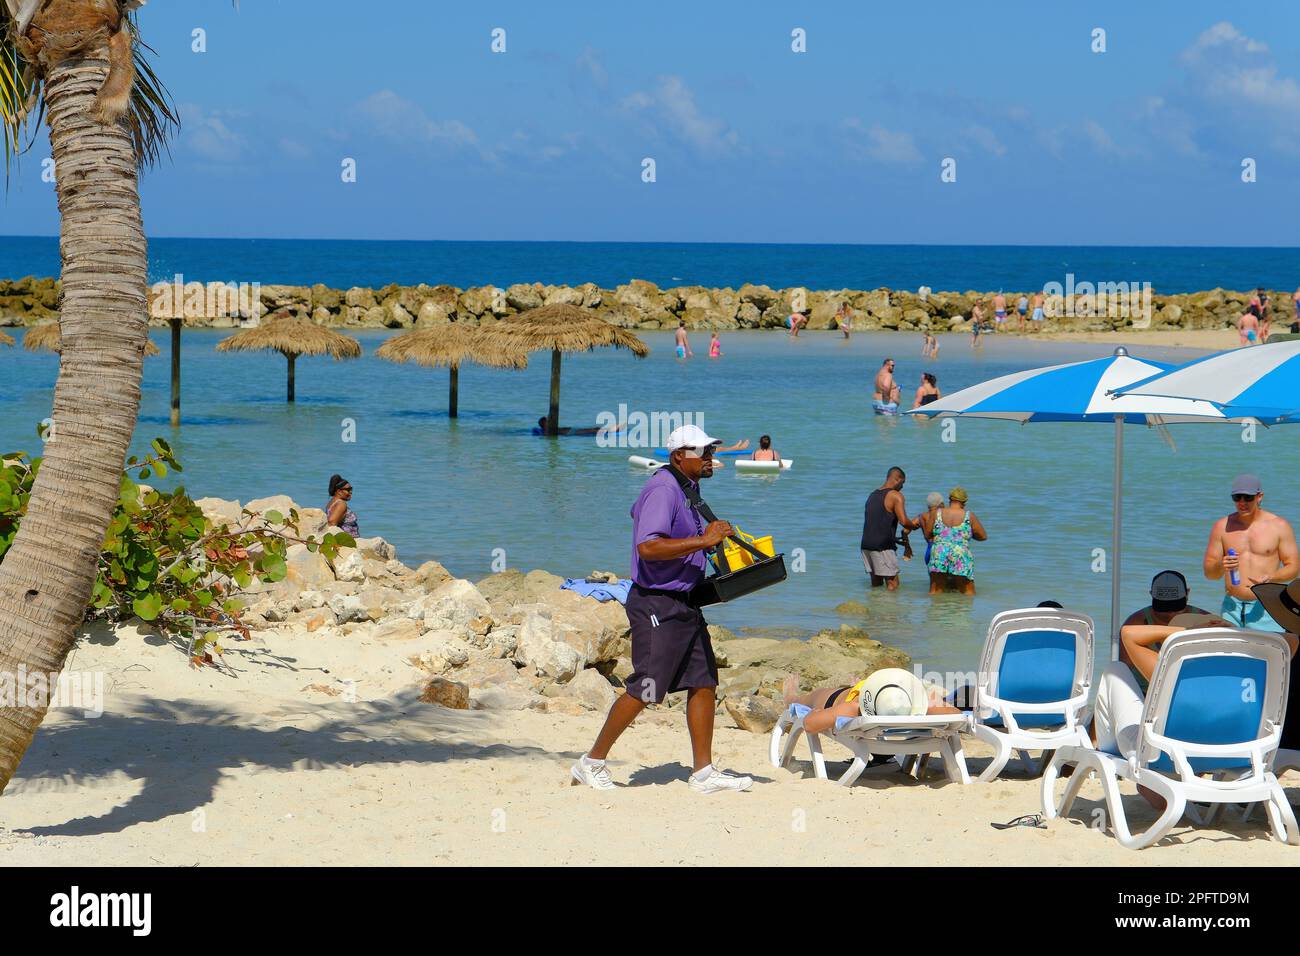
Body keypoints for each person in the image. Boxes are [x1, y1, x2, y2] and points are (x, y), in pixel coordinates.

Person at [571, 424, 753, 794]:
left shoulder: (687, 487)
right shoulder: (663, 487)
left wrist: (714, 543)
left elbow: (641, 516)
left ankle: (703, 772)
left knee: (703, 682)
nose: (710, 458)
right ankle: (591, 762)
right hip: (656, 603)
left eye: (711, 452)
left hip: (685, 602)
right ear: (677, 457)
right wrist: (702, 540)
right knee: (647, 688)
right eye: (702, 453)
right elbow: (648, 547)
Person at [1203, 474, 1300, 631]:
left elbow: (1294, 569)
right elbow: (1210, 574)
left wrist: (1272, 577)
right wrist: (1221, 565)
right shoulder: (1222, 526)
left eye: (1247, 497)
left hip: (1268, 607)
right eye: (1237, 497)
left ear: (1259, 496)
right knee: (1230, 653)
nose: (1242, 503)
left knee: (1269, 653)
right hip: (1232, 607)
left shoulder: (1279, 526)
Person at [781, 668, 959, 737]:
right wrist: (931, 702)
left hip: (840, 698)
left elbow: (810, 725)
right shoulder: (914, 706)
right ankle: (859, 685)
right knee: (866, 690)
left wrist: (815, 713)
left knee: (807, 699)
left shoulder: (853, 708)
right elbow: (958, 716)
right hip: (884, 695)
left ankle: (790, 696)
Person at [1117, 570, 1210, 688]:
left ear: (1187, 593)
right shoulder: (1137, 622)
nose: (1170, 613)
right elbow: (1125, 670)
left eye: (1176, 607)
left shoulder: (1204, 619)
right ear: (1151, 594)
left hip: (1188, 686)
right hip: (1146, 690)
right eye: (1164, 608)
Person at [861, 466, 919, 590]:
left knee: (876, 584)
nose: (902, 487)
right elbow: (904, 521)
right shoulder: (895, 495)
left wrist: (894, 539)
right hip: (882, 547)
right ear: (897, 479)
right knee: (893, 585)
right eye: (903, 483)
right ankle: (891, 609)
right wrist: (914, 526)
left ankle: (876, 608)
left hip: (866, 545)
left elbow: (877, 523)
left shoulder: (872, 495)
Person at [922, 486, 987, 595]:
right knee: (968, 592)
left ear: (950, 500)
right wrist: (967, 535)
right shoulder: (968, 516)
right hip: (960, 552)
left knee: (935, 591)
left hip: (939, 551)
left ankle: (935, 611)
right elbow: (983, 536)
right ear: (964, 502)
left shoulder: (936, 513)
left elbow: (928, 534)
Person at [535, 415, 622, 438]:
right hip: (572, 433)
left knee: (594, 429)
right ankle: (613, 430)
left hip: (571, 430)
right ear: (545, 424)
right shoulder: (547, 431)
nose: (551, 421)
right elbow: (546, 435)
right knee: (593, 431)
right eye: (548, 421)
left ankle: (612, 429)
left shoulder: (550, 429)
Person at [920, 491, 944, 567]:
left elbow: (905, 530)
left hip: (929, 550)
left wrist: (907, 547)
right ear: (941, 504)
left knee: (933, 578)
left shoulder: (922, 516)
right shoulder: (945, 515)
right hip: (941, 550)